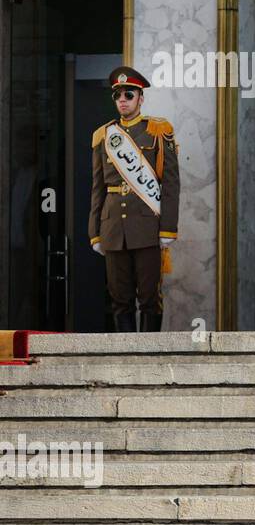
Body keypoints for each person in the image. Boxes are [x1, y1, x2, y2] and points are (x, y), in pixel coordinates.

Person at [88, 66, 180, 332]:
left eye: (129, 94)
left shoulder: (158, 130)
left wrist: (168, 228)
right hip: (113, 226)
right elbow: (98, 188)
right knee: (119, 298)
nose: (123, 100)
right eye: (118, 96)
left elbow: (171, 184)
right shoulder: (103, 135)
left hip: (147, 226)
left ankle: (150, 356)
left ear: (141, 98)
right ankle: (125, 357)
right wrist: (94, 232)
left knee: (150, 298)